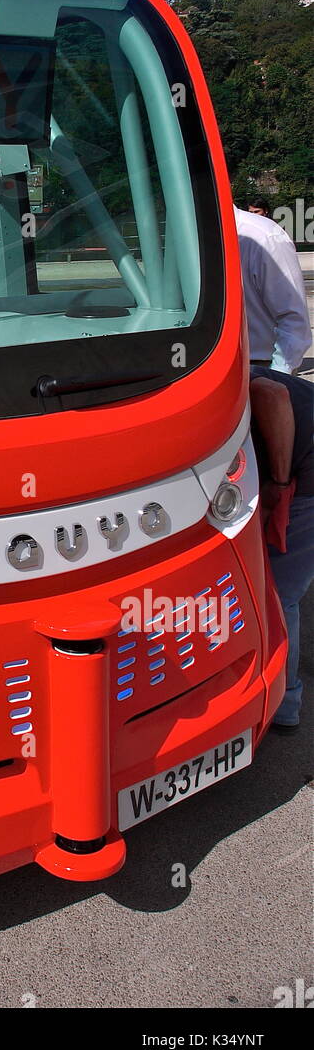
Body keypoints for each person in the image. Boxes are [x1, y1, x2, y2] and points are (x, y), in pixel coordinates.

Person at [250, 368, 314, 732]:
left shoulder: (232, 379)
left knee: (281, 591)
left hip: (307, 470)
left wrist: (279, 480)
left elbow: (273, 395)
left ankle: (286, 704)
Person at [233, 205, 311, 372]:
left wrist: (277, 375)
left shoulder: (262, 235)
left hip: (260, 364)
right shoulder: (189, 235)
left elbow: (293, 318)